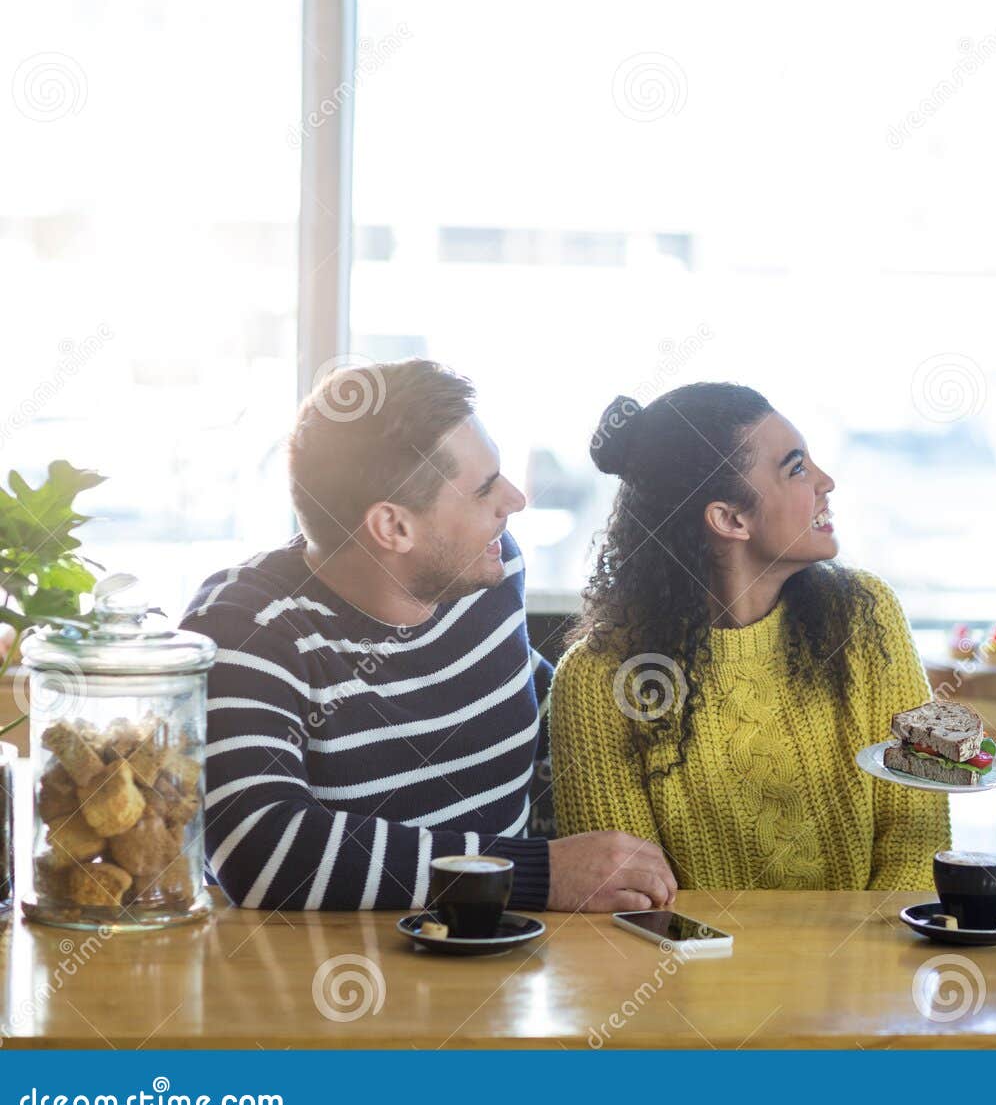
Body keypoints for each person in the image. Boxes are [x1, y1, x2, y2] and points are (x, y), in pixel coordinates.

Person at [183, 359, 676, 912]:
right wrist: (535, 874)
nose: (513, 499)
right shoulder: (245, 630)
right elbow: (263, 851)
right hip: (332, 982)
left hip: (497, 962)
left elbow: (518, 691)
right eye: (484, 489)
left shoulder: (487, 570)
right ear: (394, 527)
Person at [550, 383, 948, 889]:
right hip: (691, 969)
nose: (826, 482)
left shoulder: (867, 617)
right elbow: (632, 901)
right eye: (796, 468)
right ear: (730, 519)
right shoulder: (598, 680)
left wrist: (859, 963)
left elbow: (917, 837)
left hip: (867, 962)